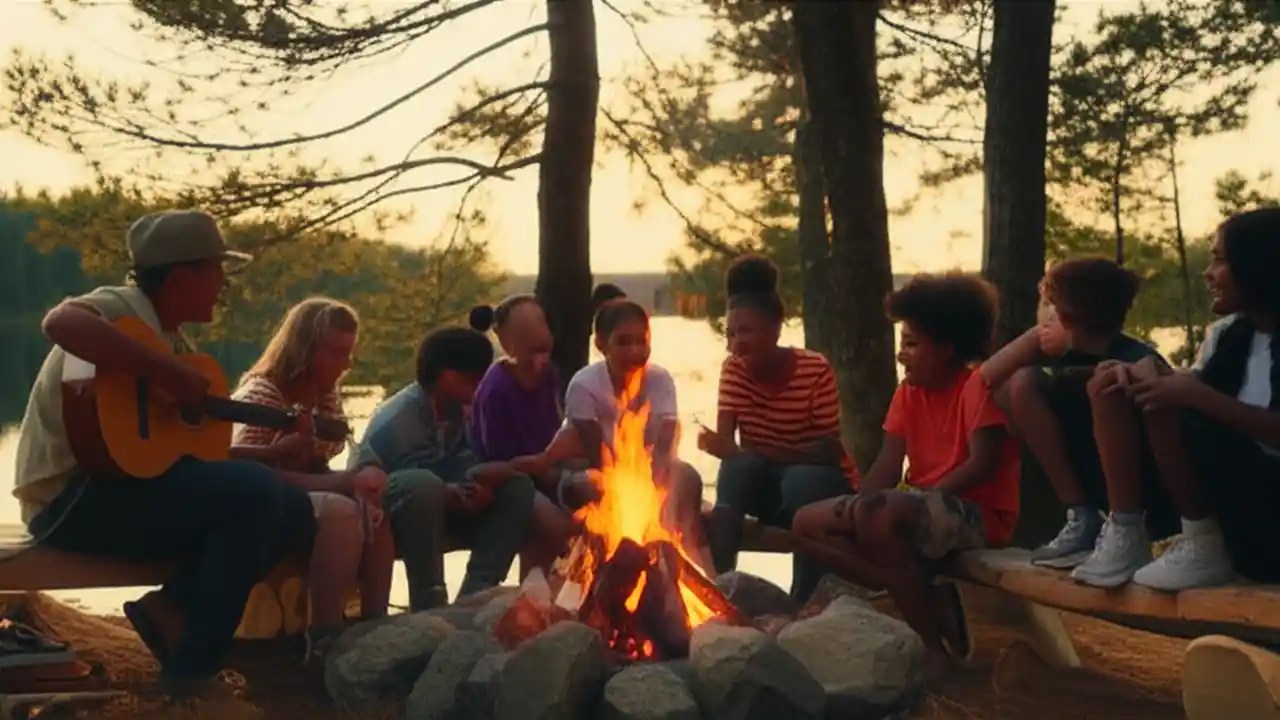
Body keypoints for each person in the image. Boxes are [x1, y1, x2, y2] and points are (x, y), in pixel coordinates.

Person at [12, 210, 315, 691]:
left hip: (123, 489)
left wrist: (269, 457)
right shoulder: (121, 307)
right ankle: (192, 675)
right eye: (217, 271)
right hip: (70, 500)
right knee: (257, 495)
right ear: (181, 275)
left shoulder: (169, 340)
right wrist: (170, 374)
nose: (223, 285)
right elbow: (61, 321)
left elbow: (168, 456)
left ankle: (170, 610)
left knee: (295, 508)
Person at [792, 272, 1021, 678]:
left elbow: (983, 463)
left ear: (948, 348)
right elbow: (887, 462)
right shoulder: (908, 392)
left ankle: (933, 647)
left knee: (880, 515)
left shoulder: (977, 387)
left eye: (912, 345)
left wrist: (923, 496)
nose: (902, 356)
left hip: (978, 515)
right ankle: (932, 600)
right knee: (807, 522)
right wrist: (859, 503)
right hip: (915, 506)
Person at [1077, 207, 1280, 591]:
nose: (1209, 274)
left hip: (1269, 518)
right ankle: (1126, 529)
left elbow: (1205, 402)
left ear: (1258, 264)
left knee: (1170, 402)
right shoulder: (1229, 336)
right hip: (1235, 502)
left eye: (1220, 260)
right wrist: (1143, 372)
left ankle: (1203, 541)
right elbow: (1199, 386)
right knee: (1113, 385)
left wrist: (1192, 394)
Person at [981, 257, 1176, 569]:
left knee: (1024, 383)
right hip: (1095, 484)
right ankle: (1082, 517)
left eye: (1047, 304)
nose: (1041, 315)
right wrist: (1035, 341)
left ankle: (1109, 528)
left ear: (1064, 315)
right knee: (1017, 385)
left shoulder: (1138, 360)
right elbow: (984, 382)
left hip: (1147, 500)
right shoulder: (1061, 358)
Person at [229, 298, 394, 660]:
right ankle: (323, 634)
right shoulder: (263, 395)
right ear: (305, 350)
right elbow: (245, 474)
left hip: (301, 492)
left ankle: (375, 625)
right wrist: (340, 482)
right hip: (261, 503)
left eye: (349, 353)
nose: (347, 364)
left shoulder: (325, 397)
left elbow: (320, 460)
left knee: (374, 511)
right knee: (341, 512)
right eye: (336, 353)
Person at [698, 255, 859, 602]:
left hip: (819, 487)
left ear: (775, 329)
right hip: (767, 487)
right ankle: (719, 589)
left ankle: (804, 600)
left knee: (801, 478)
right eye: (730, 334)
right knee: (739, 470)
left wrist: (757, 453)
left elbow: (827, 453)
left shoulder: (814, 369)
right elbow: (731, 450)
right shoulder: (734, 370)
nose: (735, 343)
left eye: (746, 332)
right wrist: (718, 444)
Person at [351, 324, 539, 610]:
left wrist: (480, 486)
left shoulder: (465, 411)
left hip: (451, 503)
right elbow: (380, 481)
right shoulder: (398, 420)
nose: (477, 389)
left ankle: (476, 595)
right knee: (423, 485)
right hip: (399, 512)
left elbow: (472, 462)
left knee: (518, 487)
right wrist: (449, 492)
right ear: (444, 375)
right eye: (469, 380)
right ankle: (429, 601)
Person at [523, 290, 712, 571]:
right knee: (596, 486)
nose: (635, 351)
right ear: (601, 344)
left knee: (687, 478)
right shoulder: (585, 385)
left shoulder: (659, 380)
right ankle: (599, 572)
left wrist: (656, 480)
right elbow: (593, 454)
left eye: (642, 341)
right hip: (587, 473)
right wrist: (629, 485)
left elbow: (665, 438)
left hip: (645, 473)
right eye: (624, 342)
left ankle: (699, 568)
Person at [466, 296, 574, 575]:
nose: (541, 361)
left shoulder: (549, 376)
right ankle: (532, 588)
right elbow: (496, 459)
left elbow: (557, 425)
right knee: (555, 525)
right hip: (508, 480)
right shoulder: (497, 390)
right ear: (509, 346)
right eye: (532, 352)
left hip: (544, 468)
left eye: (545, 350)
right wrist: (541, 466)